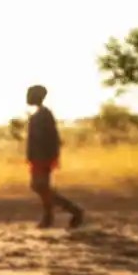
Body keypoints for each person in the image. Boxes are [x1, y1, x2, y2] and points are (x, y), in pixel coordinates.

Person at [26, 85, 86, 229]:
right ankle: (50, 217)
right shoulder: (40, 114)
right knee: (41, 187)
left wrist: (50, 157)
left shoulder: (43, 114)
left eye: (30, 94)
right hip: (39, 156)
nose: (27, 97)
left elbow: (51, 137)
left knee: (40, 186)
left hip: (42, 156)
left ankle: (74, 211)